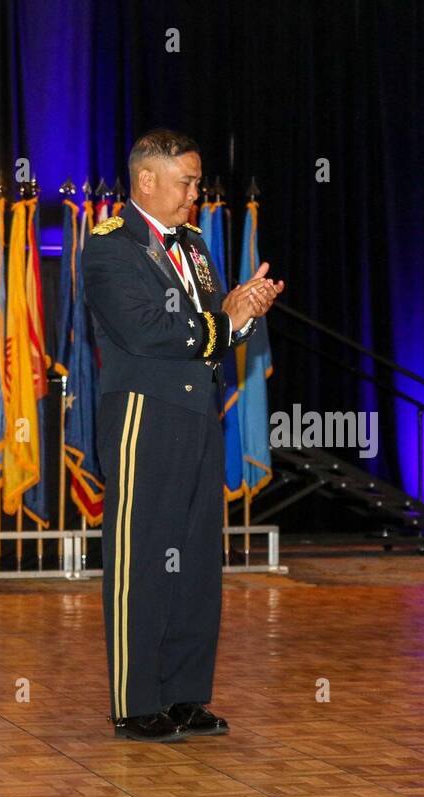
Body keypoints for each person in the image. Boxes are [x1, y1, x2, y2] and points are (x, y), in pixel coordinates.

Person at [83, 129, 283, 742]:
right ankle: (136, 699)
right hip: (145, 412)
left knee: (196, 559)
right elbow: (148, 332)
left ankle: (185, 695)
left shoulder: (193, 244)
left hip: (197, 411)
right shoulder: (109, 247)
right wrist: (225, 319)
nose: (196, 194)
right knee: (143, 558)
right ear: (146, 180)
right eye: (187, 182)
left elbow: (211, 327)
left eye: (196, 183)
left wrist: (243, 313)